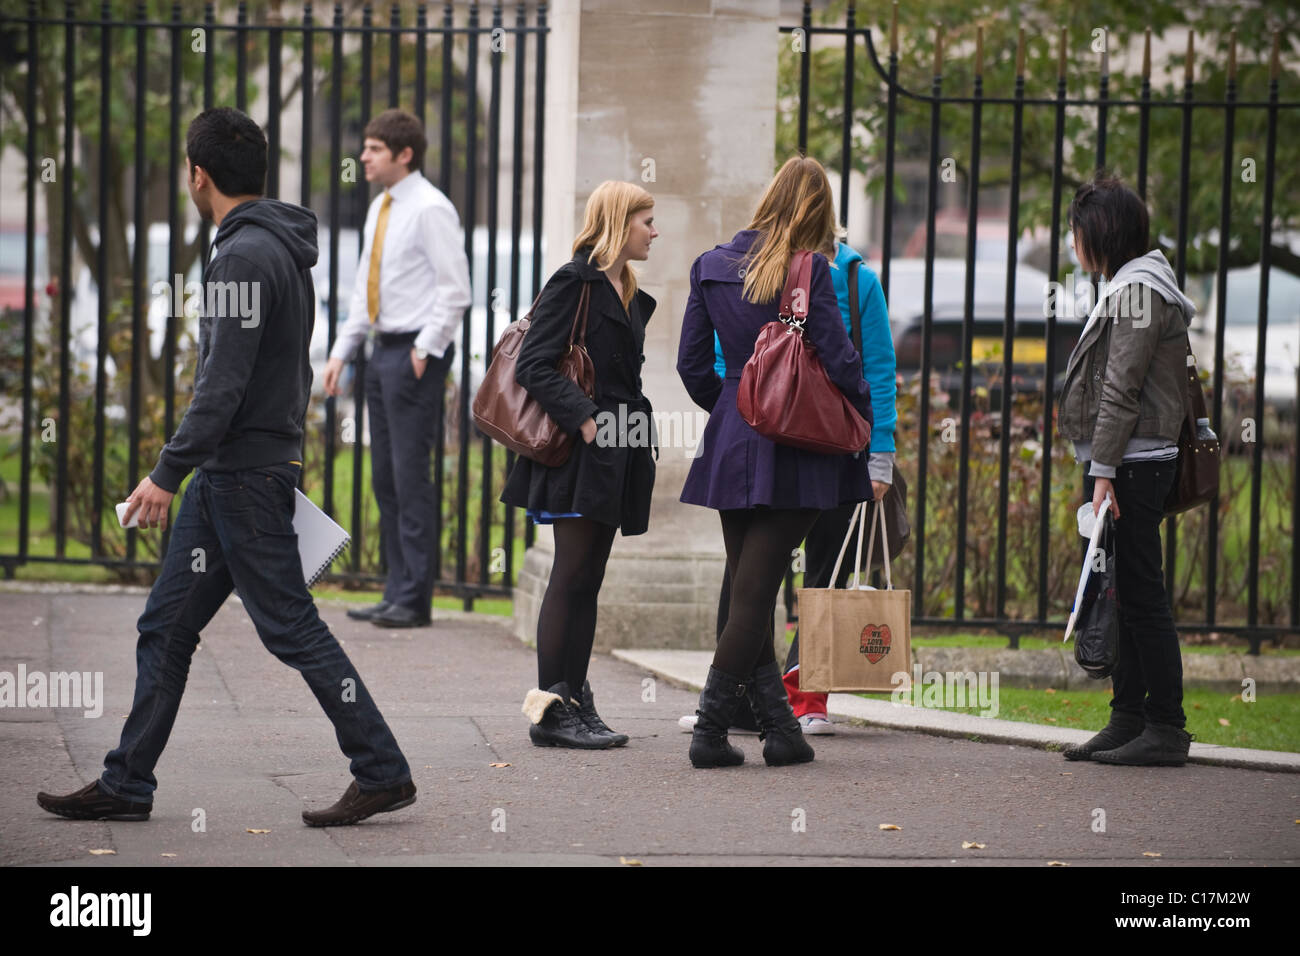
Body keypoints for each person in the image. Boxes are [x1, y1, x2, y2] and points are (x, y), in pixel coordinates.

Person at [37, 107, 416, 827]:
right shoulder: (272, 246)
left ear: (198, 175)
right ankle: (127, 783)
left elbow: (223, 382)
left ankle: (382, 769)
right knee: (167, 627)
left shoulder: (244, 256)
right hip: (231, 474)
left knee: (291, 627)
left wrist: (164, 471)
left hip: (239, 477)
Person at [677, 156, 872, 769]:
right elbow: (837, 357)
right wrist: (860, 414)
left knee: (748, 591)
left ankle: (781, 731)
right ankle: (709, 732)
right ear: (818, 210)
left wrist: (739, 407)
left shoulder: (708, 266)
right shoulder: (808, 268)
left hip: (734, 438)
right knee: (754, 596)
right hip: (798, 448)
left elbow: (689, 365)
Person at [503, 181, 658, 749]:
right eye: (646, 220)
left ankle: (574, 698)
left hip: (620, 446)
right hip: (580, 447)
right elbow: (534, 365)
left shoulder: (628, 289)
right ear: (619, 222)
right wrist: (585, 416)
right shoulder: (575, 282)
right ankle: (549, 710)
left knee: (589, 579)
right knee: (569, 575)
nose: (655, 231)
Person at [1057, 175, 1196, 766]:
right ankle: (1128, 717)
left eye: (1077, 232)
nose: (1073, 243)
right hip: (1124, 461)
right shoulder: (1131, 285)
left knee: (1142, 595)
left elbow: (1122, 388)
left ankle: (1166, 725)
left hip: (1134, 463)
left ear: (1101, 233)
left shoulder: (1139, 290)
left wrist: (1105, 469)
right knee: (1127, 591)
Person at [323, 109, 472, 629]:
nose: (363, 156)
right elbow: (366, 284)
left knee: (410, 476)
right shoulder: (380, 208)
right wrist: (342, 351)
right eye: (364, 147)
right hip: (380, 351)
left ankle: (413, 599)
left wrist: (425, 349)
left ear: (404, 154)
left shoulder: (432, 209)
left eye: (374, 149)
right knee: (385, 475)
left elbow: (456, 290)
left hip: (413, 355)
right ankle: (396, 590)